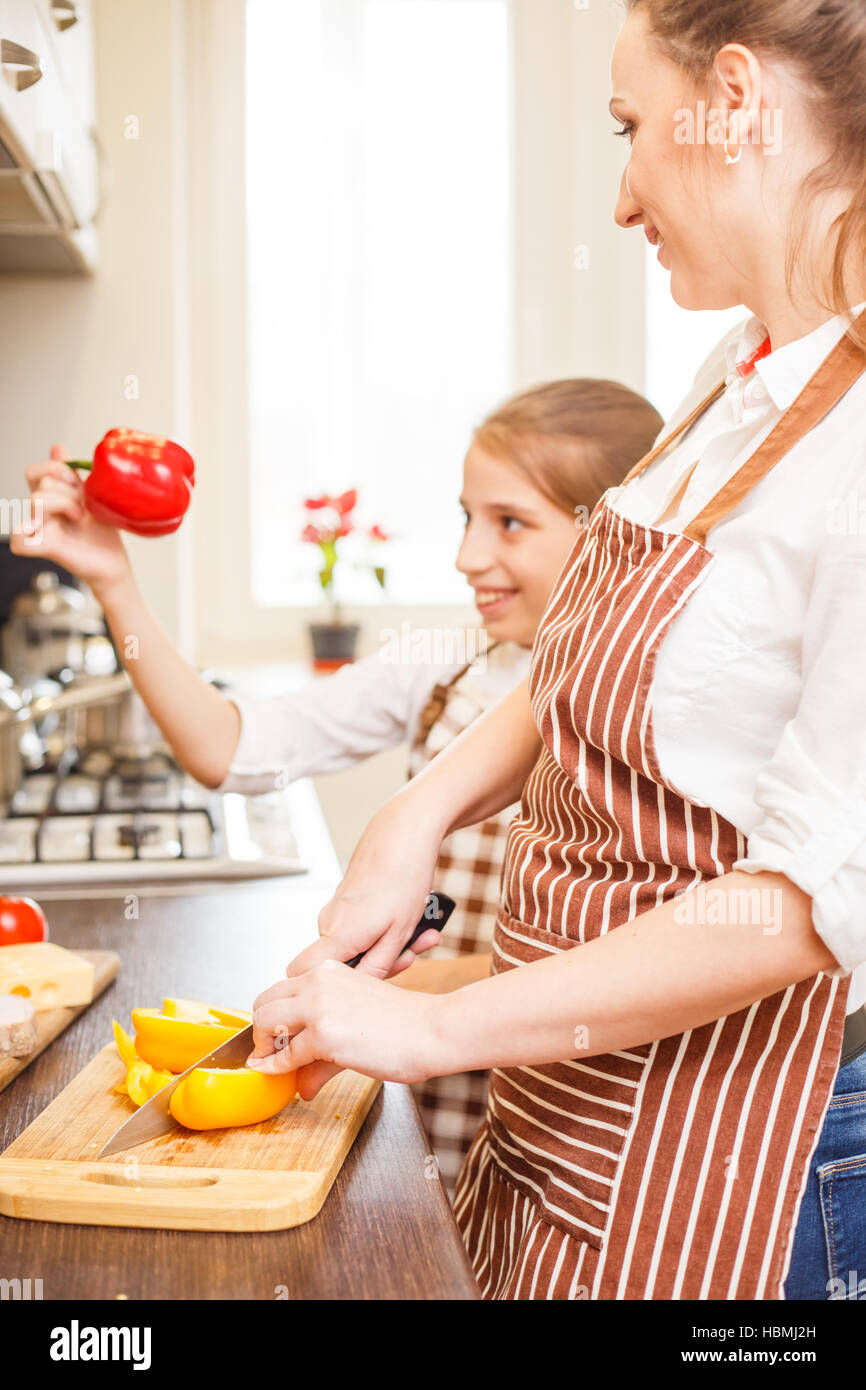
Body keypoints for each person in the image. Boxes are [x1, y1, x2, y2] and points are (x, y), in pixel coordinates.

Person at [247, 0, 866, 1300]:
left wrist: (428, 1024)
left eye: (629, 128)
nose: (623, 198)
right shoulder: (735, 379)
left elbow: (808, 902)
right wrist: (413, 815)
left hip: (753, 1144)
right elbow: (587, 651)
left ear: (736, 101)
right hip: (569, 1104)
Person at [13, 378, 662, 1194]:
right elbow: (231, 747)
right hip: (435, 1105)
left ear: (611, 533)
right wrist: (112, 579)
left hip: (579, 1123)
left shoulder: (654, 701)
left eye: (510, 523)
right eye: (467, 516)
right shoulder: (452, 664)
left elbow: (652, 956)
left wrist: (402, 994)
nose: (467, 556)